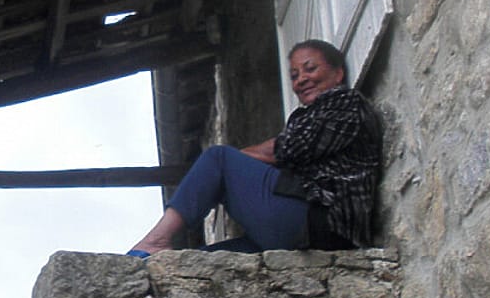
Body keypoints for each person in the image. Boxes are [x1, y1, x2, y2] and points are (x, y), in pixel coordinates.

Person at [128, 39, 381, 255]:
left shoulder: (346, 103)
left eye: (310, 69)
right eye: (294, 75)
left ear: (338, 73)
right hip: (302, 232)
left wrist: (224, 168)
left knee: (217, 157)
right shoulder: (311, 115)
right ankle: (159, 258)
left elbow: (288, 149)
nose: (302, 79)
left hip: (322, 222)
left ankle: (156, 240)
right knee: (202, 260)